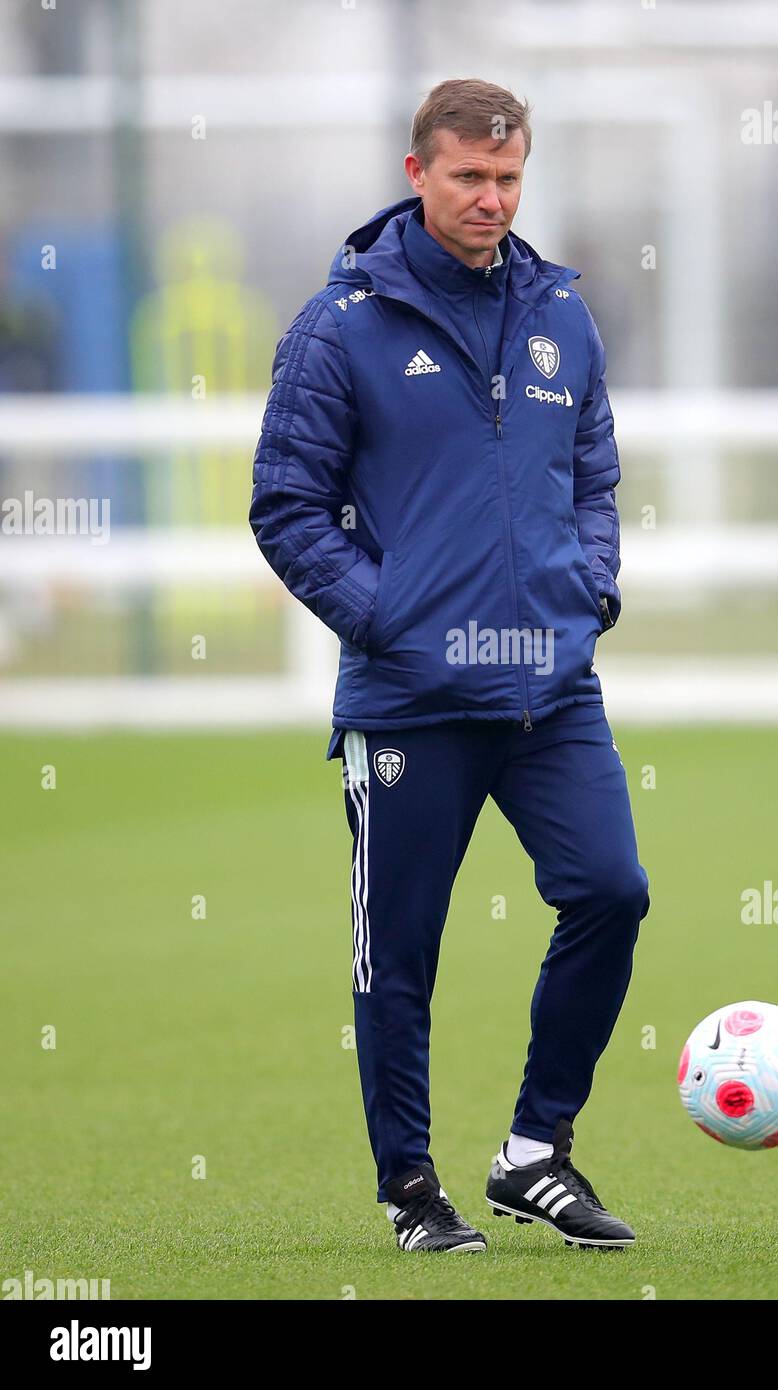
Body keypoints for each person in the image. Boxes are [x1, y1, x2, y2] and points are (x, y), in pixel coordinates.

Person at [250, 78, 650, 1254]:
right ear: (417, 170)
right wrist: (392, 621)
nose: (491, 199)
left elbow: (592, 481)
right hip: (412, 701)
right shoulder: (340, 327)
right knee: (402, 953)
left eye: (509, 178)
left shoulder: (560, 312)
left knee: (612, 891)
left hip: (549, 686)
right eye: (469, 177)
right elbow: (287, 506)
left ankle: (535, 1151)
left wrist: (590, 592)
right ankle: (412, 1189)